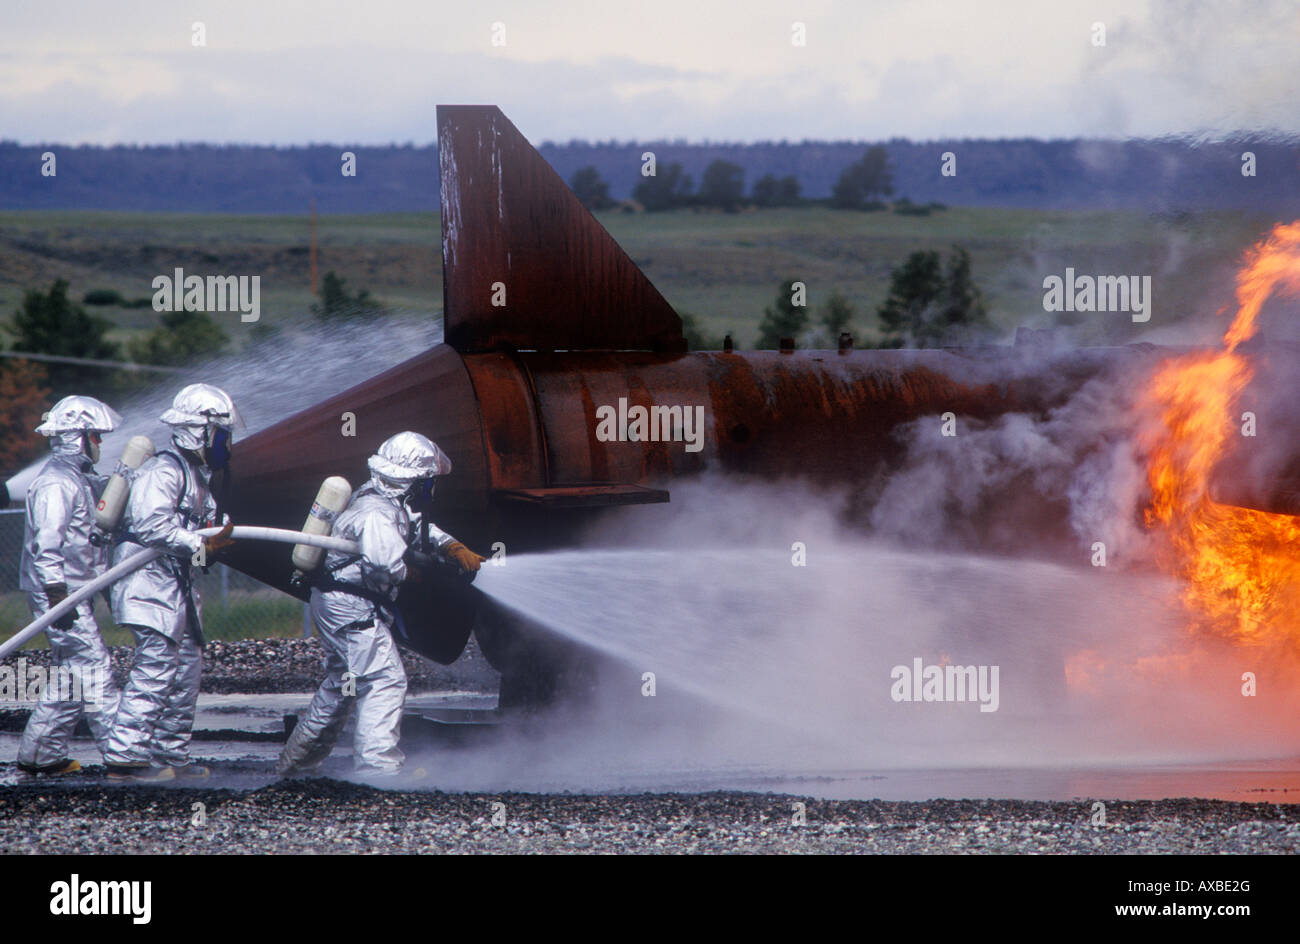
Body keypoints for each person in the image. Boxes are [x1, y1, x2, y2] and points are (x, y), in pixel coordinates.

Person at [277, 431, 485, 777]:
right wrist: (422, 574)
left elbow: (412, 525)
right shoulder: (375, 511)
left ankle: (297, 763)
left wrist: (450, 546)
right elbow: (384, 565)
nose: (431, 488)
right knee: (384, 679)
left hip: (340, 603)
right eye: (428, 481)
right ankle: (378, 770)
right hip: (349, 607)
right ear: (414, 480)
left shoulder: (385, 503)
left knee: (343, 683)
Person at [102, 383, 240, 782]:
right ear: (200, 431)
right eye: (222, 436)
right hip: (147, 583)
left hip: (174, 587)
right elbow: (150, 525)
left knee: (186, 671)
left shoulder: (194, 476)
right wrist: (201, 542)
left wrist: (217, 542)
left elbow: (206, 528)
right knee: (156, 669)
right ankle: (125, 761)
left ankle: (170, 754)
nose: (226, 446)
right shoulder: (162, 470)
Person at [16, 396, 124, 776]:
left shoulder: (75, 477)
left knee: (72, 674)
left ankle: (39, 756)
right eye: (95, 436)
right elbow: (46, 544)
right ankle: (124, 760)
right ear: (78, 438)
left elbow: (103, 496)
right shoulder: (54, 484)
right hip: (60, 593)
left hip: (74, 591)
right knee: (94, 669)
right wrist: (57, 595)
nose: (100, 444)